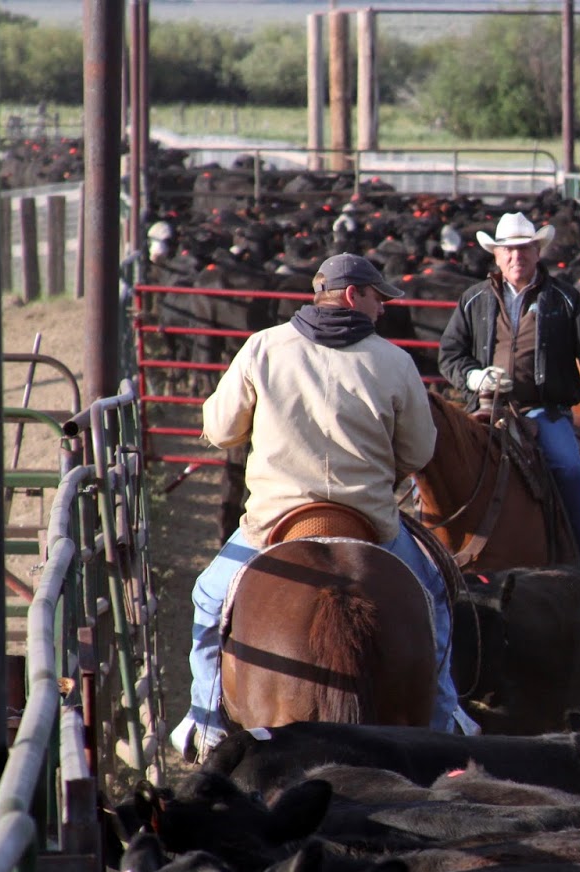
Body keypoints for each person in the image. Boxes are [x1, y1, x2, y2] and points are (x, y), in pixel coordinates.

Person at [170, 253, 465, 762]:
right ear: (353, 295)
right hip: (369, 522)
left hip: (274, 525)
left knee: (208, 598)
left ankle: (208, 720)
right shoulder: (394, 360)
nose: (382, 310)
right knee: (434, 598)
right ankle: (443, 724)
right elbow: (419, 452)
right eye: (378, 299)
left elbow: (219, 429)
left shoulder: (263, 347)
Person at [438, 212, 580, 565]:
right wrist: (474, 377)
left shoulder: (565, 300)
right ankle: (438, 554)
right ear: (496, 255)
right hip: (486, 408)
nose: (515, 257)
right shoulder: (474, 300)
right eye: (508, 251)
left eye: (524, 249)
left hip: (544, 411)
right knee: (439, 464)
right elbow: (450, 354)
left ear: (538, 252)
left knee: (568, 467)